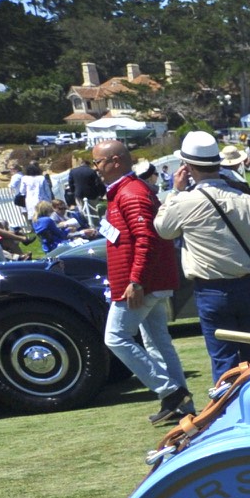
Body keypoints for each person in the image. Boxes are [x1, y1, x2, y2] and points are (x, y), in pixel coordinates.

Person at [154, 130, 250, 383]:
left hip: (211, 290)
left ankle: (228, 403)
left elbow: (163, 229)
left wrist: (175, 192)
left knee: (223, 361)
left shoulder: (184, 202)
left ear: (188, 167)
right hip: (249, 287)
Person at [90, 140, 192, 422]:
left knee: (115, 337)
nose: (95, 168)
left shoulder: (130, 193)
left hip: (139, 283)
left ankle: (170, 392)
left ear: (115, 161)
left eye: (97, 162)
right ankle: (182, 406)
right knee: (157, 342)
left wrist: (136, 280)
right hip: (147, 281)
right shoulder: (126, 191)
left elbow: (147, 240)